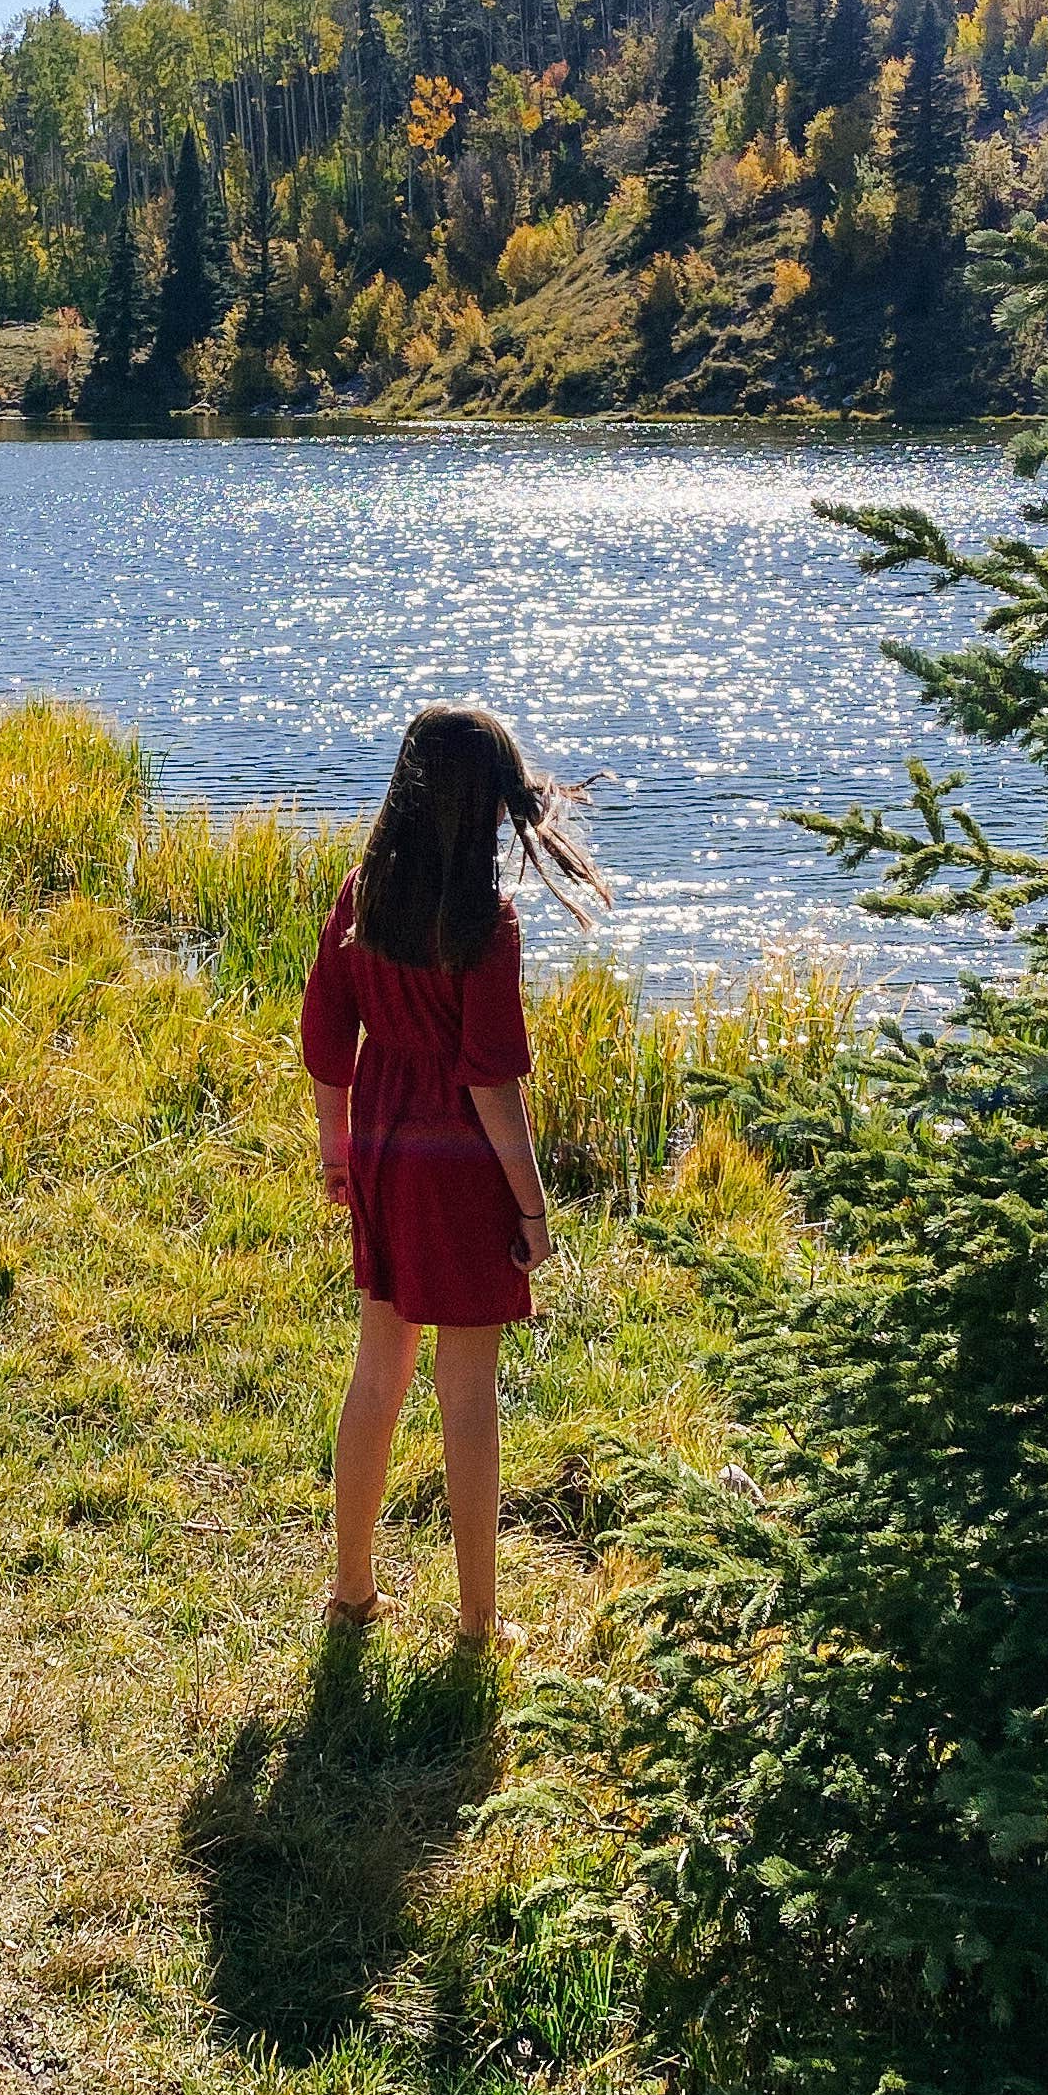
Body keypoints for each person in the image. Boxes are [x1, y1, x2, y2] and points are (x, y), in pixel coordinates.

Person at [299, 704, 609, 1643]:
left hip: (388, 1146)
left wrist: (339, 1146)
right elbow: (492, 1083)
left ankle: (353, 1586)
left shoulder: (363, 896)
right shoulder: (486, 923)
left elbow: (323, 1033)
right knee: (468, 1393)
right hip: (459, 1165)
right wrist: (535, 1207)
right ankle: (478, 1622)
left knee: (378, 1369)